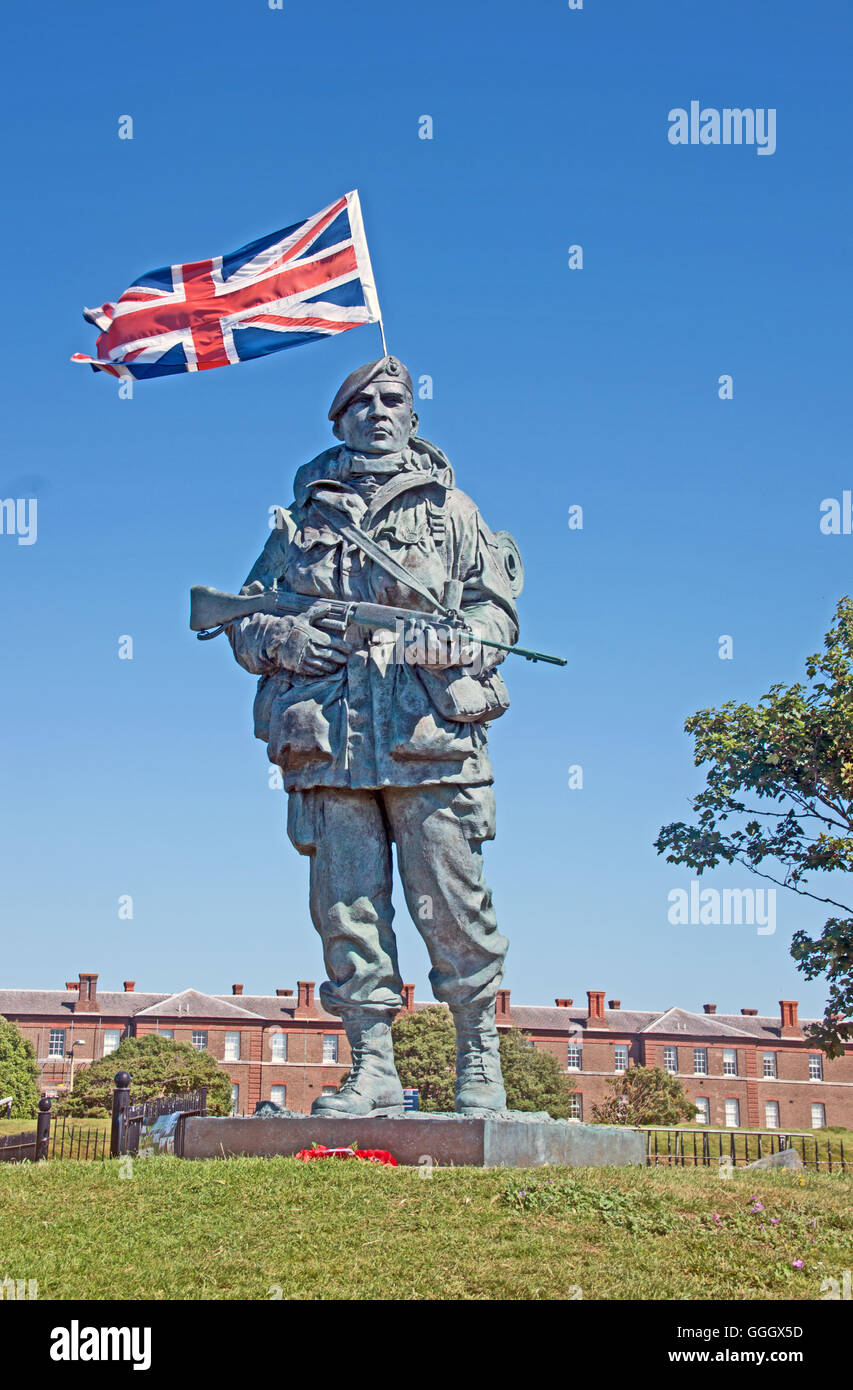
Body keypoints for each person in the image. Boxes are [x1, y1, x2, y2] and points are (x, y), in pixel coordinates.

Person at [227, 356, 519, 1116]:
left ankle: (478, 1061)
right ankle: (372, 1066)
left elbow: (496, 611)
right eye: (361, 402)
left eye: (393, 400)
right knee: (346, 909)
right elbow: (243, 618)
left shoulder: (450, 512)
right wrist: (288, 642)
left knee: (453, 906)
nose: (378, 412)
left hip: (430, 737)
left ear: (412, 417)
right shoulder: (298, 524)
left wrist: (461, 643)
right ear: (340, 421)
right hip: (328, 742)